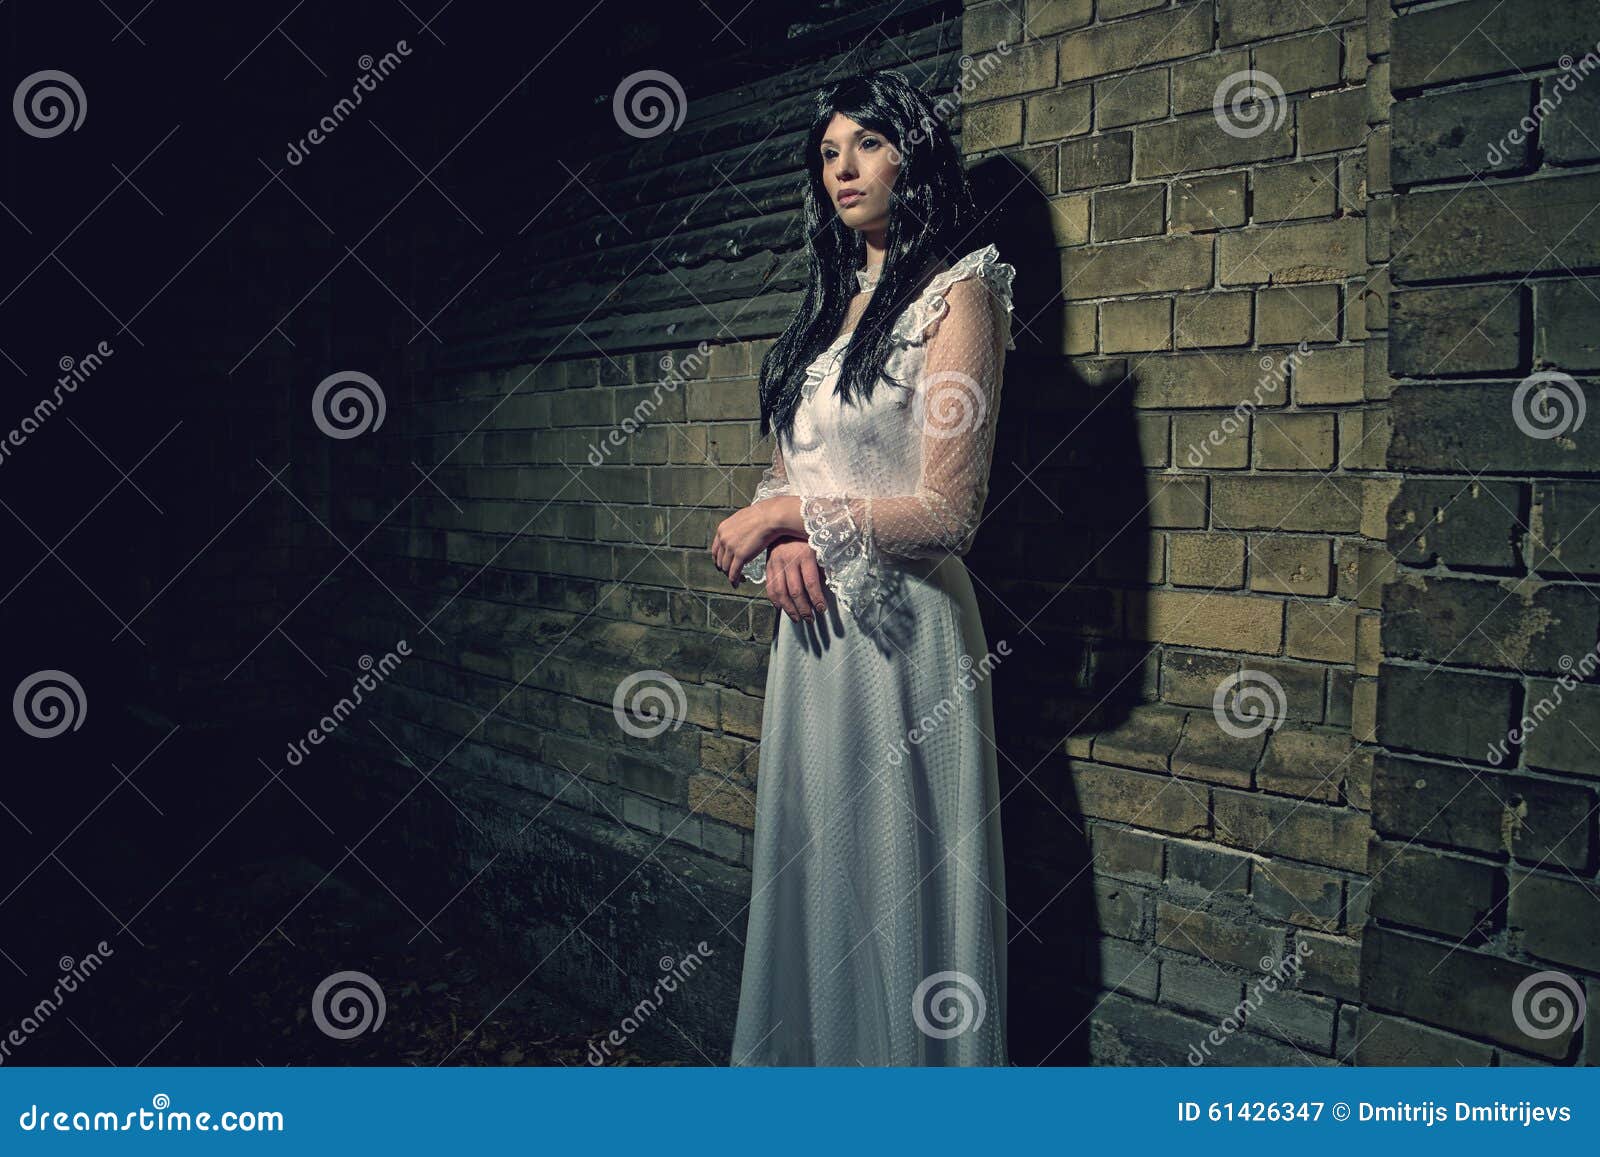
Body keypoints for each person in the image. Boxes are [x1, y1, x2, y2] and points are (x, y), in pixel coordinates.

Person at [709, 68, 1015, 1066]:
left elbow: (946, 511)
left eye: (867, 145)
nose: (842, 168)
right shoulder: (827, 307)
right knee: (819, 875)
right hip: (812, 644)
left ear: (911, 154)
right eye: (829, 151)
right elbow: (790, 475)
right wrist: (783, 546)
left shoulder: (960, 291)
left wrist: (794, 512)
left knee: (898, 877)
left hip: (905, 638)